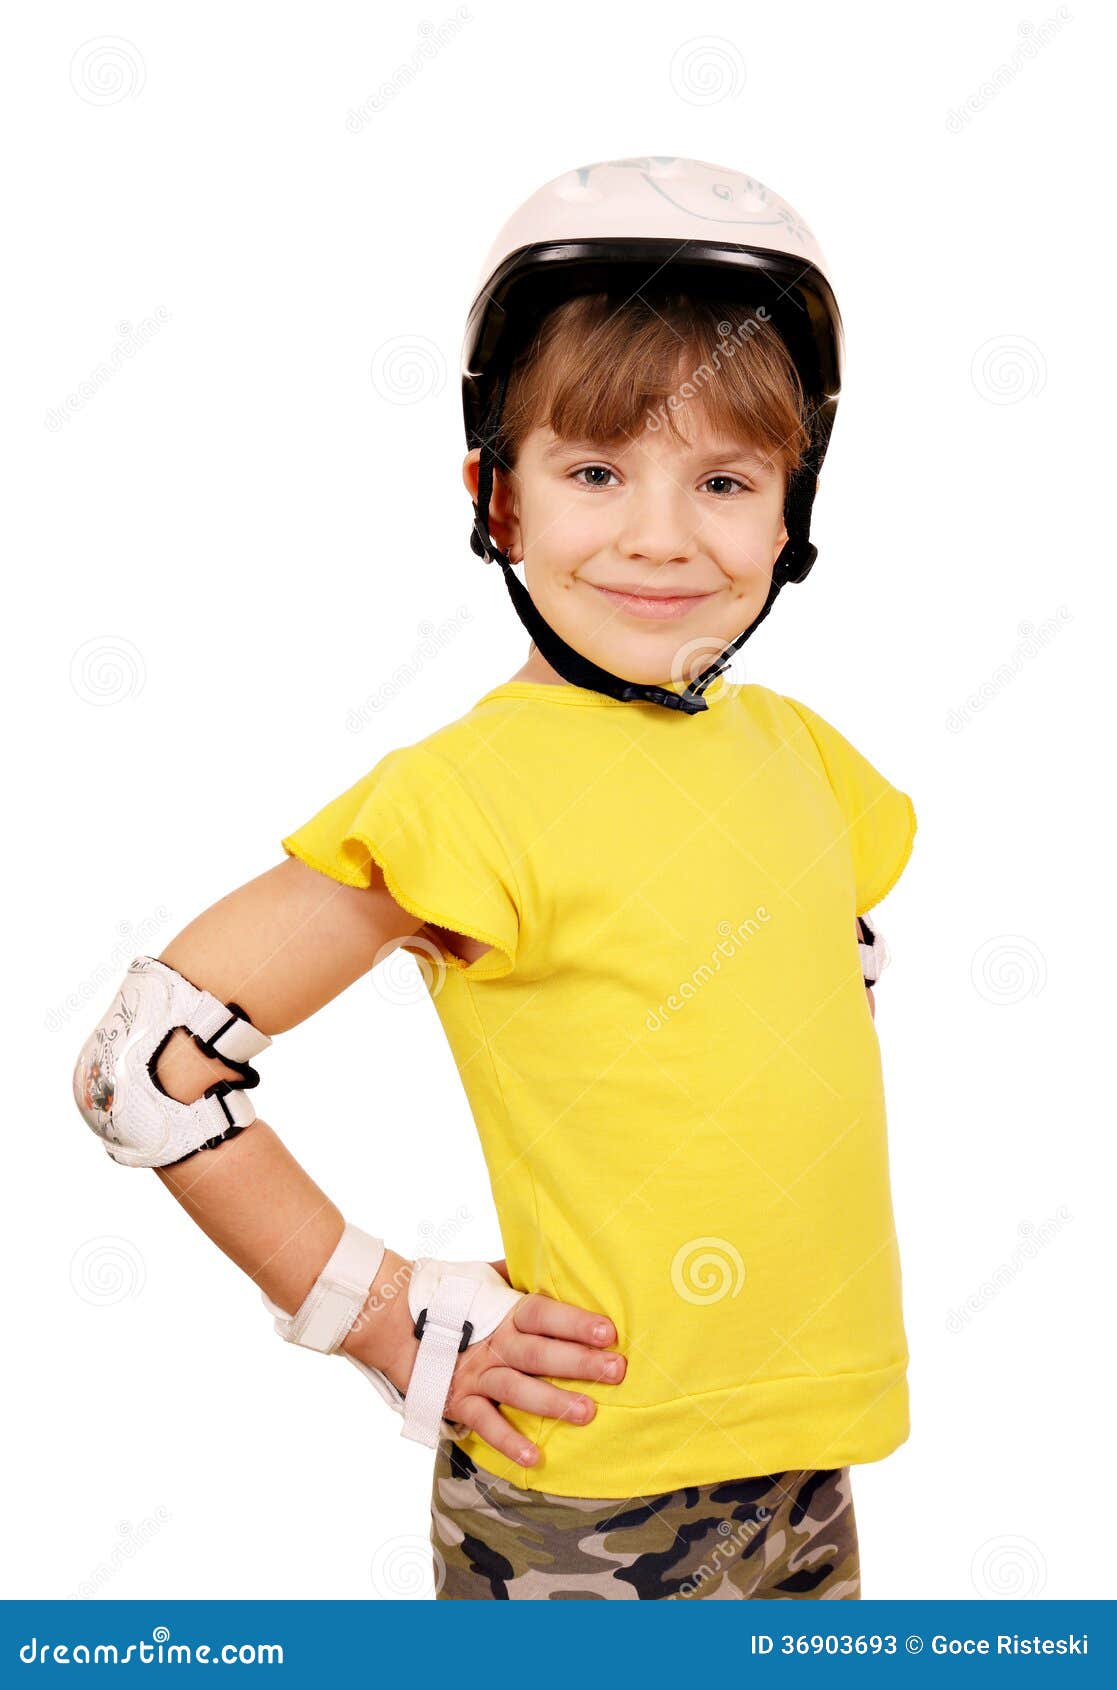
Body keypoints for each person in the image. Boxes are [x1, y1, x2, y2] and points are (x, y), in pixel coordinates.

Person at [72, 157, 916, 1600]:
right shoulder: (468, 793)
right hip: (581, 1491)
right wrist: (384, 1311)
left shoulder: (810, 760)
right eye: (594, 471)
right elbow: (139, 1068)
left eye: (723, 479)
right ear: (496, 495)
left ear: (792, 510)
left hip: (807, 1467)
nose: (660, 533)